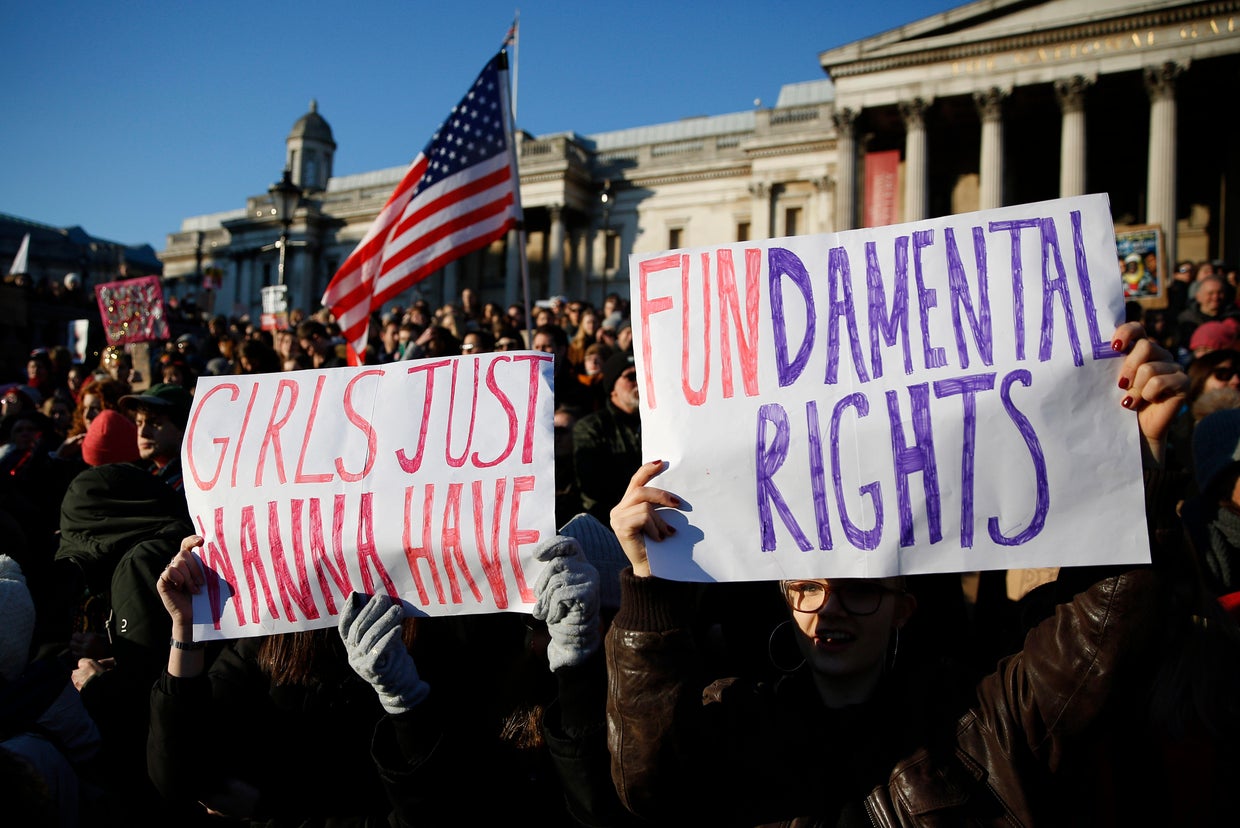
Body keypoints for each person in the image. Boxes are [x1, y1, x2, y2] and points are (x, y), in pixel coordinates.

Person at [603, 324, 1238, 824]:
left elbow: (1106, 622)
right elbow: (649, 783)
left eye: (858, 588)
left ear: (905, 606)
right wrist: (647, 585)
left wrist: (1130, 464)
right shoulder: (735, 719)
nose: (828, 609)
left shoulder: (983, 722)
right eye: (805, 587)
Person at [573, 352, 641, 524]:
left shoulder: (660, 422)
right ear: (612, 388)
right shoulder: (591, 428)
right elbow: (594, 490)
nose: (638, 382)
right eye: (631, 377)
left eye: (641, 374)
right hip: (611, 525)